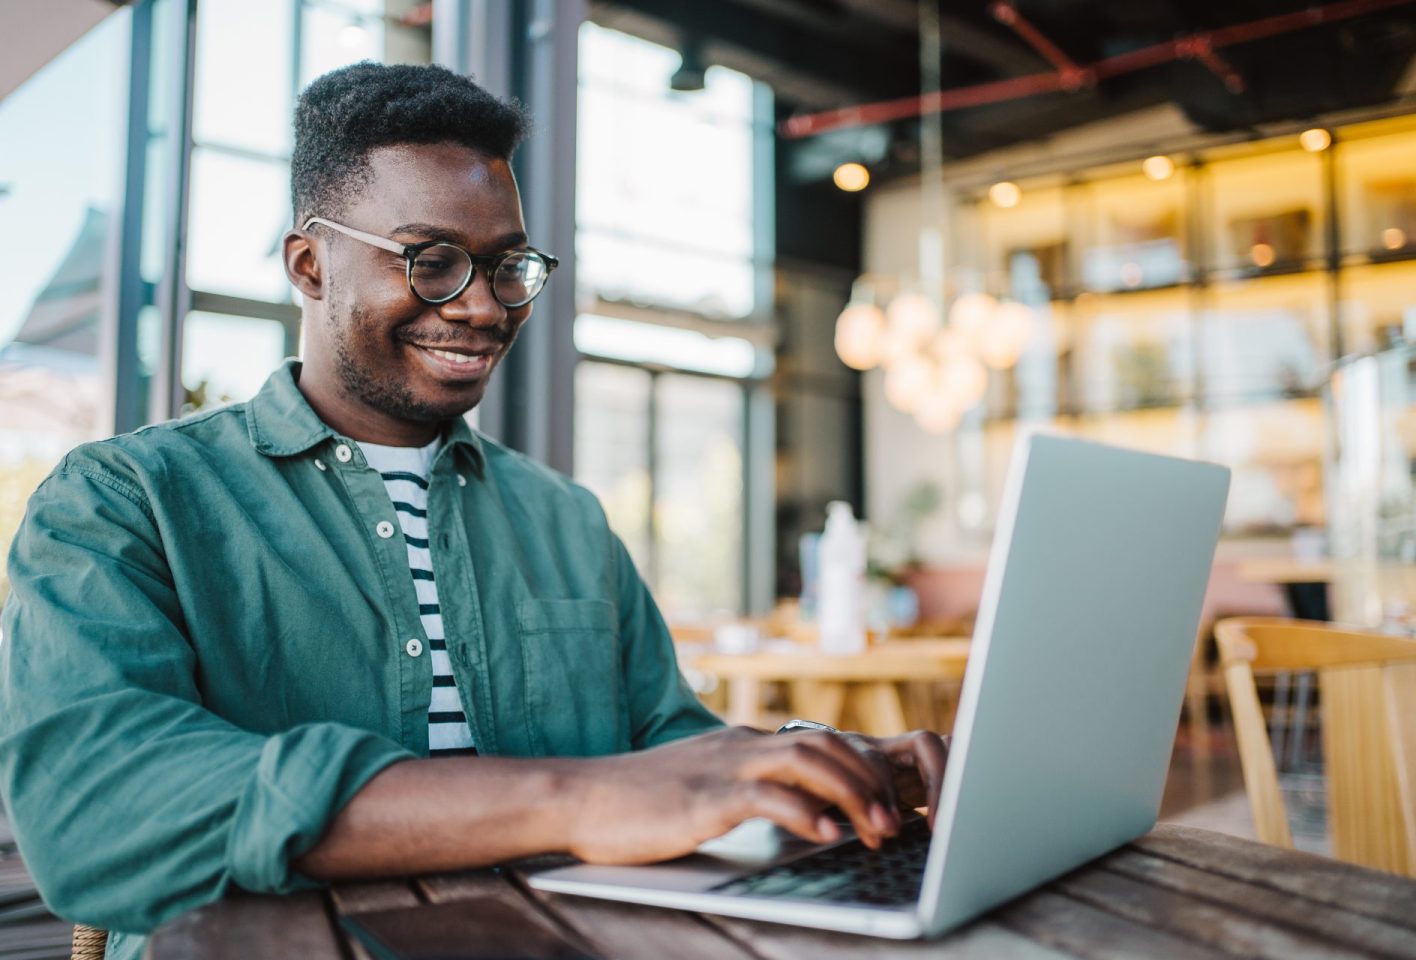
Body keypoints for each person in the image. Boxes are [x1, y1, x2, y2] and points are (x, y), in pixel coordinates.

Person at [0, 63, 946, 960]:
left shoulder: (565, 519)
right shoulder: (126, 501)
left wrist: (805, 765)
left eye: (508, 268)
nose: (485, 308)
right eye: (434, 262)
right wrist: (572, 801)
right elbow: (98, 807)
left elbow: (665, 743)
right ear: (309, 264)